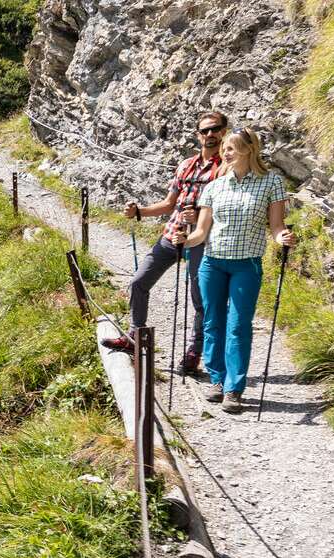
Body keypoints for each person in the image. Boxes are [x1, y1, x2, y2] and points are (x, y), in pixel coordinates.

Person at [102, 110, 229, 373]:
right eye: (204, 130)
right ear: (198, 135)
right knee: (139, 281)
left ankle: (195, 350)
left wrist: (204, 215)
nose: (210, 135)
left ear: (224, 132)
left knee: (200, 297)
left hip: (203, 239)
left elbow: (228, 208)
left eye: (215, 129)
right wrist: (139, 212)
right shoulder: (186, 165)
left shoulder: (226, 168)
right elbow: (169, 204)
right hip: (172, 234)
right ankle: (134, 336)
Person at [182, 127, 295, 413]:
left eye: (230, 148)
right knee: (212, 322)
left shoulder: (271, 182)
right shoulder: (215, 186)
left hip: (247, 264)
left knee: (238, 326)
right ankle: (217, 381)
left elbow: (277, 226)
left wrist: (283, 238)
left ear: (249, 148)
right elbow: (200, 232)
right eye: (224, 149)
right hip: (212, 263)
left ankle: (234, 389)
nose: (225, 153)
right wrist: (184, 240)